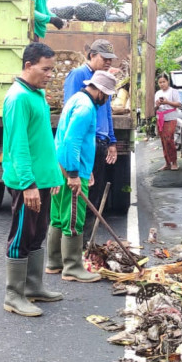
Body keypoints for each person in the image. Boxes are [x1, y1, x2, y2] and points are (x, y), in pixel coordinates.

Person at [2, 41, 66, 316]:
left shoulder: (36, 93)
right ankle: (13, 295)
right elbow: (19, 146)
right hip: (26, 182)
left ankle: (33, 286)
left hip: (42, 180)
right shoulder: (18, 98)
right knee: (21, 235)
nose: (50, 75)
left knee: (38, 234)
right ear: (28, 66)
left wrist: (53, 173)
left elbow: (42, 140)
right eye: (46, 69)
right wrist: (28, 184)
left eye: (52, 69)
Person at [49, 70, 118, 282]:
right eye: (106, 96)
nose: (105, 100)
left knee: (59, 215)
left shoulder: (76, 99)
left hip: (60, 166)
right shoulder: (86, 108)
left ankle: (54, 262)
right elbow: (71, 141)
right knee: (73, 218)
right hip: (69, 169)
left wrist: (84, 172)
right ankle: (72, 267)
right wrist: (74, 174)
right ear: (99, 91)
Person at [60, 38, 118, 245]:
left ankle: (85, 244)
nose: (109, 62)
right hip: (86, 144)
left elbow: (108, 113)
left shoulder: (104, 80)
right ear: (92, 55)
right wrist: (81, 161)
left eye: (111, 58)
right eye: (105, 57)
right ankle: (77, 250)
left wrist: (112, 140)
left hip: (99, 143)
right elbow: (72, 121)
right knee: (79, 197)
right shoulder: (79, 77)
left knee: (93, 194)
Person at [154, 73, 181, 171]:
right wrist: (157, 104)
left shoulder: (173, 91)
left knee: (169, 139)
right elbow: (155, 108)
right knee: (163, 140)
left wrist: (167, 102)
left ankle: (174, 162)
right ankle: (167, 163)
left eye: (163, 82)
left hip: (171, 117)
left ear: (168, 81)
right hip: (160, 117)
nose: (162, 84)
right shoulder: (157, 93)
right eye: (160, 82)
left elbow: (178, 104)